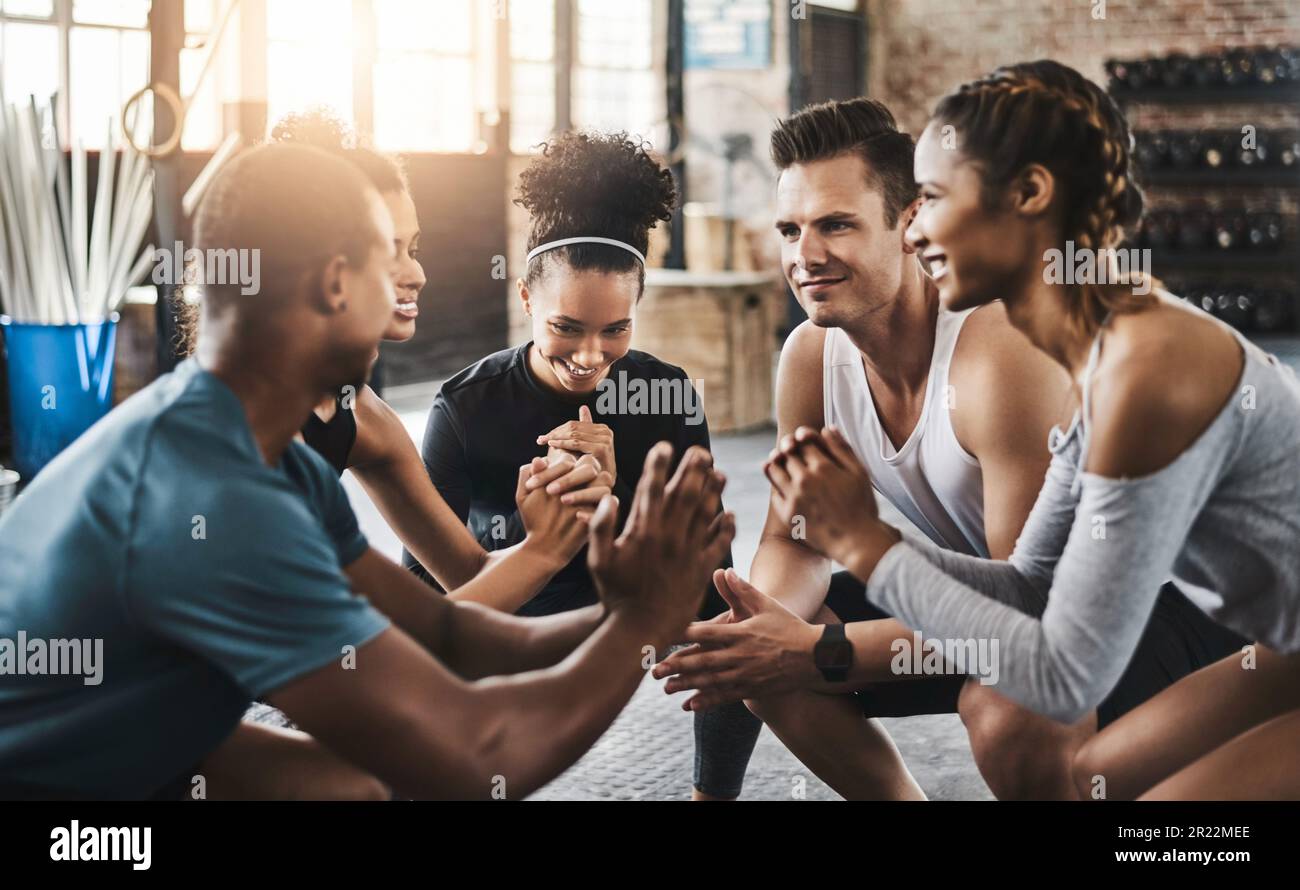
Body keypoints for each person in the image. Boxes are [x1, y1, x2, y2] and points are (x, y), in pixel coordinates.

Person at [0, 142, 734, 800]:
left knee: (358, 789)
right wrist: (642, 619)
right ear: (335, 284)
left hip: (129, 744)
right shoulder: (213, 493)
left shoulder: (263, 447)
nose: (415, 274)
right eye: (394, 252)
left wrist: (626, 607)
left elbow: (452, 635)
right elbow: (476, 751)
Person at [653, 94, 1248, 800]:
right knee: (763, 649)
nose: (804, 256)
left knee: (1008, 704)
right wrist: (768, 628)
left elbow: (1036, 614)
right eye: (790, 229)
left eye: (835, 226)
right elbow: (798, 539)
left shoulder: (996, 351)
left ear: (910, 225)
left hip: (1179, 608)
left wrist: (817, 650)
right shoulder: (811, 356)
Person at [403, 130, 762, 800]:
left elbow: (706, 567)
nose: (591, 356)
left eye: (616, 330)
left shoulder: (666, 394)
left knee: (734, 629)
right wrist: (531, 527)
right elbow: (423, 598)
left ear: (635, 312)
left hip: (633, 595)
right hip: (514, 603)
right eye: (567, 327)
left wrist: (616, 504)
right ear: (527, 299)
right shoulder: (464, 408)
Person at [275, 110, 605, 603]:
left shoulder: (358, 414)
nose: (417, 273)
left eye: (414, 247)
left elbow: (469, 578)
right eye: (391, 250)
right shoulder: (247, 427)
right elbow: (381, 660)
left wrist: (552, 533)